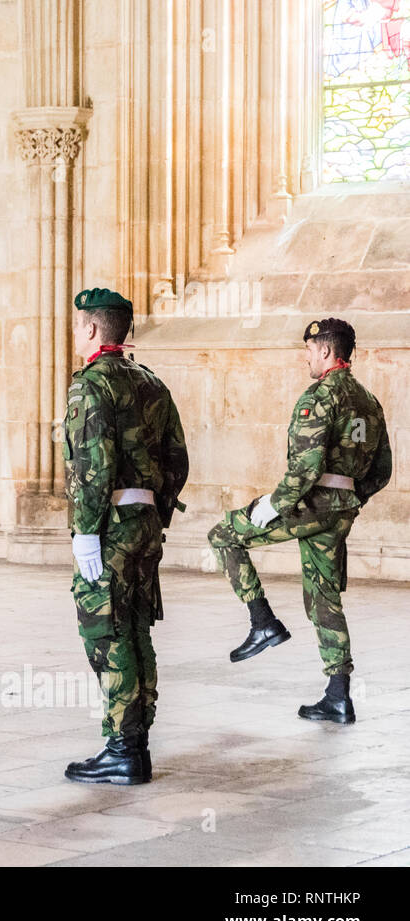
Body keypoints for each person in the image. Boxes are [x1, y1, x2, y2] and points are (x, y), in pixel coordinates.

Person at [208, 318, 392, 723]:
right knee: (324, 596)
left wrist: (273, 505)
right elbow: (382, 469)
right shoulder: (368, 401)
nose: (306, 356)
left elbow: (306, 467)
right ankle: (338, 695)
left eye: (310, 349)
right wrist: (350, 499)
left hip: (311, 502)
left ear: (326, 351)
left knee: (223, 534)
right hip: (342, 508)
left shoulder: (321, 396)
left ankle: (263, 623)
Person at [63, 288, 188, 785]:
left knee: (106, 633)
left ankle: (121, 748)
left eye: (77, 326)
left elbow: (92, 468)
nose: (75, 335)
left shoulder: (90, 385)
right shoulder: (151, 383)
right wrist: (156, 511)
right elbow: (178, 460)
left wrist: (86, 532)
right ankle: (136, 744)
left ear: (92, 329)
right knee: (136, 628)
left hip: (109, 525)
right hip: (145, 525)